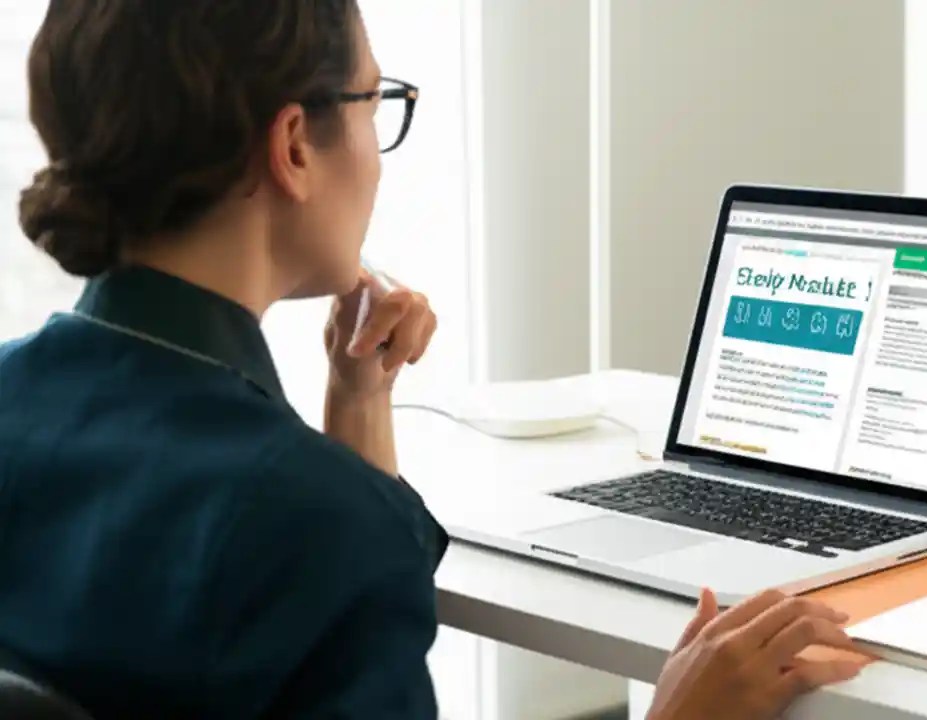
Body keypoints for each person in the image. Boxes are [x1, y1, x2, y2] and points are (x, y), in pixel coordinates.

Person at [0, 2, 863, 718]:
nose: (379, 158)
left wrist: (358, 401)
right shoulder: (314, 517)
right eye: (377, 106)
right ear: (295, 144)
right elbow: (317, 555)